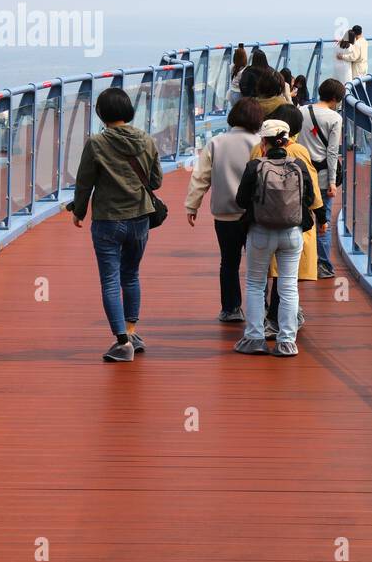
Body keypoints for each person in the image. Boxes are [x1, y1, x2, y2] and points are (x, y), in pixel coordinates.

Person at [66, 87, 163, 362]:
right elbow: (155, 181)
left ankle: (122, 342)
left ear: (101, 113)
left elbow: (84, 183)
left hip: (108, 220)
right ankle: (131, 332)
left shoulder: (96, 144)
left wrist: (79, 212)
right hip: (140, 219)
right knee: (130, 275)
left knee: (110, 280)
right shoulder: (145, 139)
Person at [234, 119, 316, 357]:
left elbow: (241, 200)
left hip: (260, 232)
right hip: (292, 233)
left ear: (264, 143)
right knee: (288, 286)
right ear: (288, 140)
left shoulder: (255, 167)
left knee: (255, 285)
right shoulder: (299, 165)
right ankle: (287, 342)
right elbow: (309, 199)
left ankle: (255, 338)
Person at [184, 98, 264, 321]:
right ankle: (261, 309)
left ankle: (231, 308)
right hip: (255, 214)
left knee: (229, 261)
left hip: (225, 213)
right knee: (259, 264)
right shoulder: (259, 142)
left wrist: (193, 204)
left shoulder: (216, 143)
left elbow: (200, 176)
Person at [257, 104, 325, 337]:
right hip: (293, 220)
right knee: (288, 277)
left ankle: (266, 320)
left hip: (264, 221)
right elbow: (313, 190)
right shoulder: (299, 151)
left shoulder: (260, 150)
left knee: (264, 277)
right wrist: (322, 217)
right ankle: (281, 321)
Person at [299, 78, 345, 279]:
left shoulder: (301, 111)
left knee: (300, 218)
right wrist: (333, 183)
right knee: (323, 220)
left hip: (302, 174)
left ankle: (300, 262)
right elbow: (332, 152)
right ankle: (323, 265)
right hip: (324, 176)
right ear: (335, 98)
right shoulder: (335, 118)